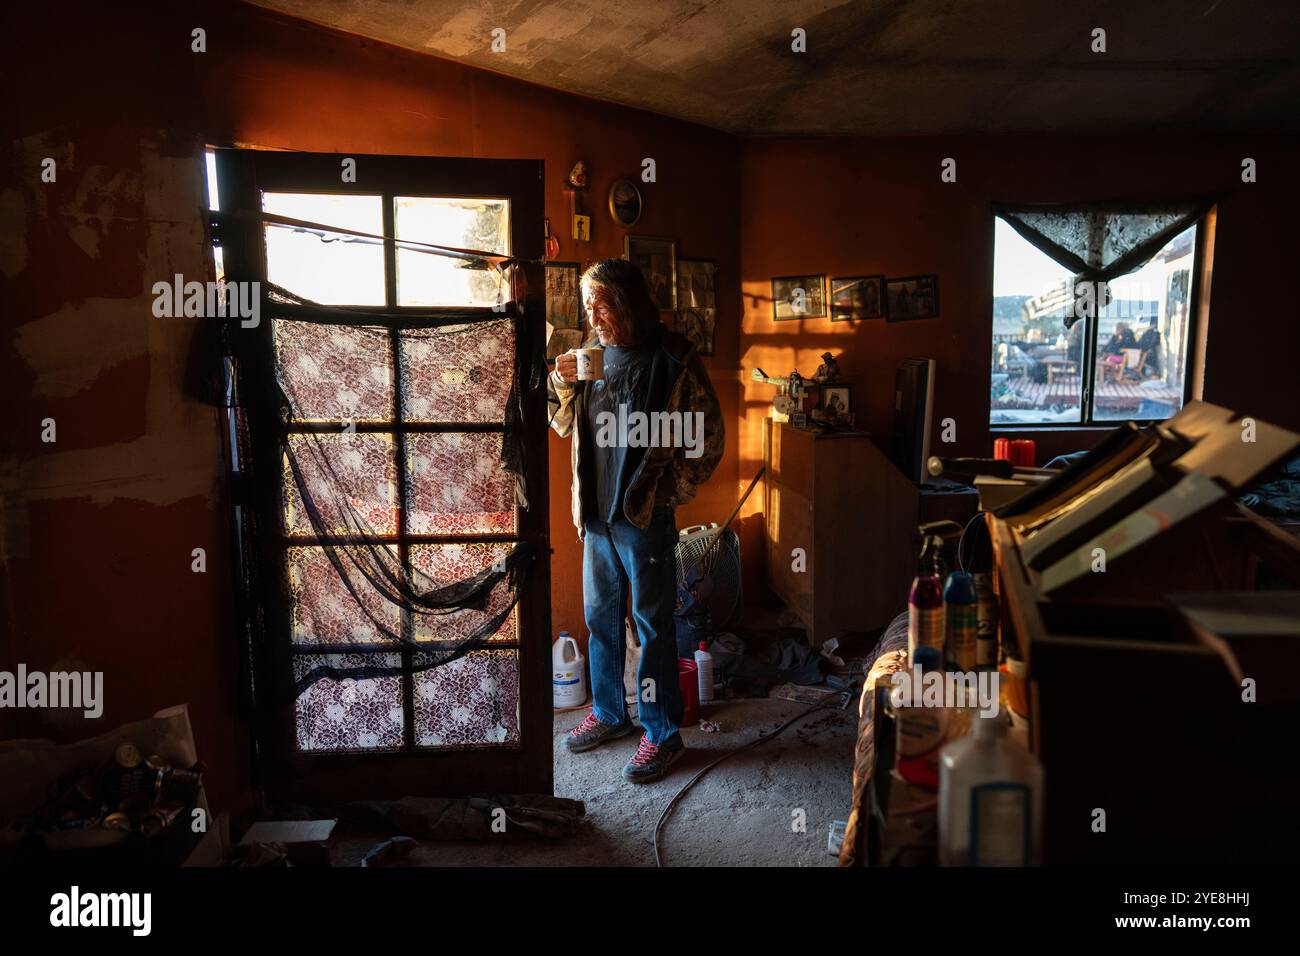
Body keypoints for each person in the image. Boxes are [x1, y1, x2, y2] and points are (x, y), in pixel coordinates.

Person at [548, 258, 724, 783]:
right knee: (600, 620)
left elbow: (707, 441)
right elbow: (562, 424)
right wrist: (561, 383)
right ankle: (608, 714)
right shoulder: (592, 358)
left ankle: (663, 732)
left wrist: (671, 493)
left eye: (602, 303)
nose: (593, 314)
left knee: (653, 627)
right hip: (596, 517)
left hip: (643, 517)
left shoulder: (672, 359)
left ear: (627, 302)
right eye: (588, 306)